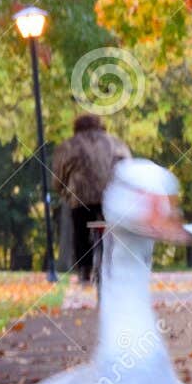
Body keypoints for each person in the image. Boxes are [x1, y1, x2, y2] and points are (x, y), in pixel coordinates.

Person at [52, 114, 130, 283]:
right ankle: (116, 265)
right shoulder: (116, 143)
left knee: (80, 231)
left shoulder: (69, 145)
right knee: (114, 231)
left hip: (81, 196)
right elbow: (127, 168)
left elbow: (58, 176)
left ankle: (84, 271)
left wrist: (63, 191)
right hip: (112, 196)